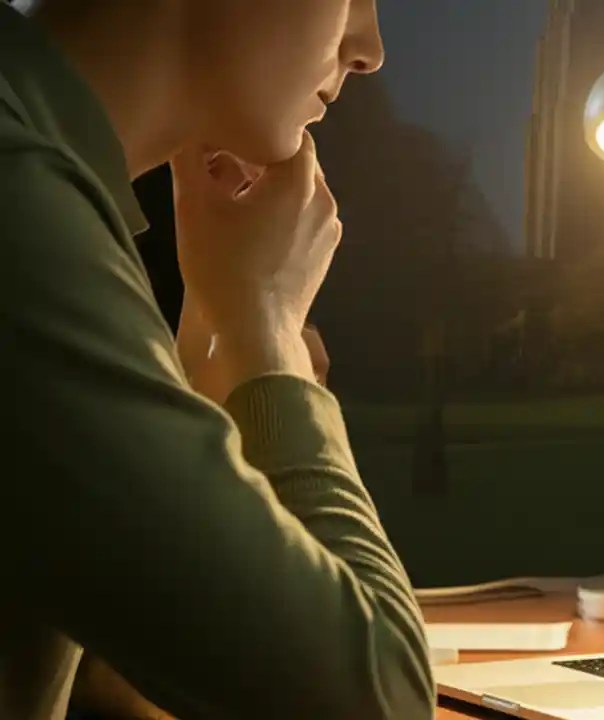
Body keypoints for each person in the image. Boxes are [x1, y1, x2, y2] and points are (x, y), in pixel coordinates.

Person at [0, 1, 435, 719]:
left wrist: (206, 351)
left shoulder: (42, 175)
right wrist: (266, 329)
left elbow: (113, 683)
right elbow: (378, 702)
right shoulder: (22, 214)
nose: (370, 49)